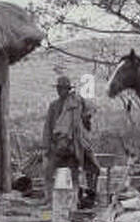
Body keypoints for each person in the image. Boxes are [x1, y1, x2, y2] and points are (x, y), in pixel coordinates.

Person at [42, 74, 99, 205]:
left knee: (74, 174)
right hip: (57, 146)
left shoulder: (77, 104)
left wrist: (86, 118)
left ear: (68, 89)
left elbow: (86, 122)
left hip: (73, 147)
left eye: (62, 88)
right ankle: (49, 198)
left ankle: (74, 200)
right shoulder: (53, 106)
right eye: (58, 88)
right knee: (48, 171)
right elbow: (48, 126)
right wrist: (47, 145)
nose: (60, 91)